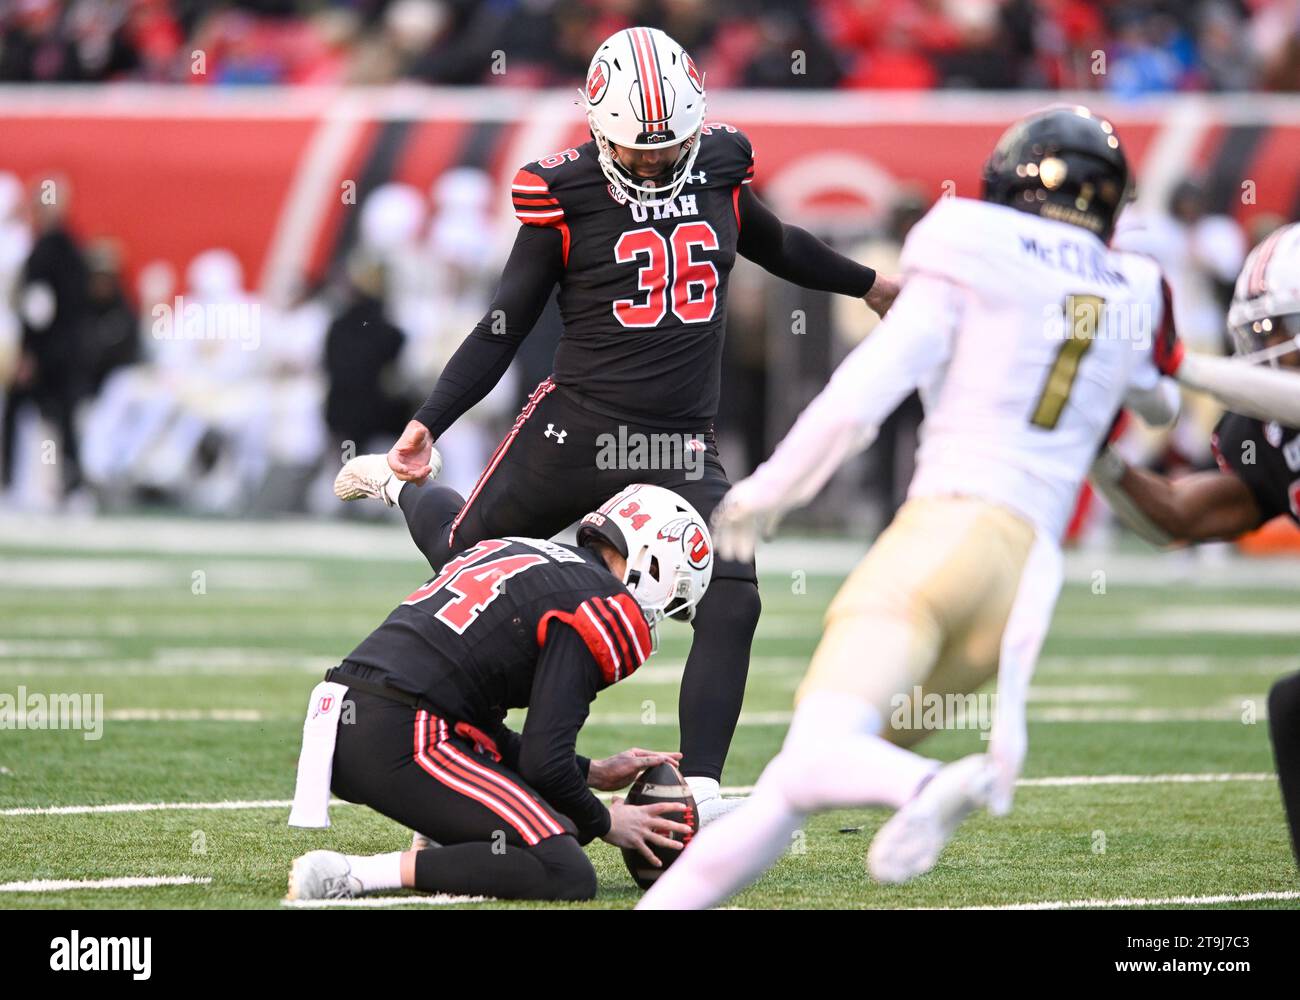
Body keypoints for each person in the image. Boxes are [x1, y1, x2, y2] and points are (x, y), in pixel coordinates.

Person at [336, 26, 899, 823]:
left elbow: (777, 244)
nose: (653, 163)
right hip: (579, 424)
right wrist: (431, 420)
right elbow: (504, 323)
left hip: (678, 441)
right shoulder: (562, 192)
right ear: (597, 128)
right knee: (469, 560)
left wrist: (868, 284)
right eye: (636, 150)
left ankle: (700, 788)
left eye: (667, 147)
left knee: (733, 594)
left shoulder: (720, 165)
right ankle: (400, 489)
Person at [638, 106, 1184, 909]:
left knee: (822, 755)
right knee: (798, 779)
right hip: (1022, 580)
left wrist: (771, 487)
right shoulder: (1134, 284)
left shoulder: (972, 242)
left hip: (948, 538)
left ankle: (929, 784)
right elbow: (1163, 403)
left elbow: (866, 390)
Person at [287, 483, 712, 902]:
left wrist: (592, 773)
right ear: (650, 562)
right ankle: (354, 873)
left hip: (349, 714)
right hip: (405, 731)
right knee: (565, 871)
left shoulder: (522, 552)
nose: (655, 615)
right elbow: (544, 762)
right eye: (669, 600)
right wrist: (607, 821)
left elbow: (484, 724)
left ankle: (447, 836)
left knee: (564, 816)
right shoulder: (604, 604)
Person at [1089, 221, 1300, 870]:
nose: (1271, 351)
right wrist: (1095, 452)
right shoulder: (1262, 429)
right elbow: (1182, 517)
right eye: (1260, 334)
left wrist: (1183, 364)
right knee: (1293, 705)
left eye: (1285, 332)